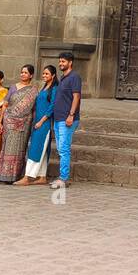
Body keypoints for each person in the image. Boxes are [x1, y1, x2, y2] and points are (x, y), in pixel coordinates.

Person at [0, 65, 38, 184]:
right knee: (7, 148)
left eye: (25, 73)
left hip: (24, 123)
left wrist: (31, 122)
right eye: (21, 72)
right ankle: (2, 175)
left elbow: (33, 109)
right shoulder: (13, 87)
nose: (23, 74)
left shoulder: (33, 90)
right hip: (9, 121)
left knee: (19, 148)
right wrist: (1, 122)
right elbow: (5, 105)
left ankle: (15, 176)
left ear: (31, 75)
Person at [16, 65, 57, 186]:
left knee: (35, 148)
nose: (44, 76)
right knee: (42, 149)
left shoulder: (54, 89)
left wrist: (41, 121)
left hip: (44, 123)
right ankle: (42, 176)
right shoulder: (44, 88)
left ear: (53, 76)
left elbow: (52, 107)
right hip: (37, 122)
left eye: (47, 74)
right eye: (43, 74)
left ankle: (27, 177)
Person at [52, 51, 82, 187]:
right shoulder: (63, 77)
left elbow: (76, 97)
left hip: (67, 119)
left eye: (63, 61)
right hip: (58, 119)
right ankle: (62, 177)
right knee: (60, 148)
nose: (61, 63)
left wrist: (71, 115)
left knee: (64, 149)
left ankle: (63, 178)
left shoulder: (74, 77)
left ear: (70, 62)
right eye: (60, 61)